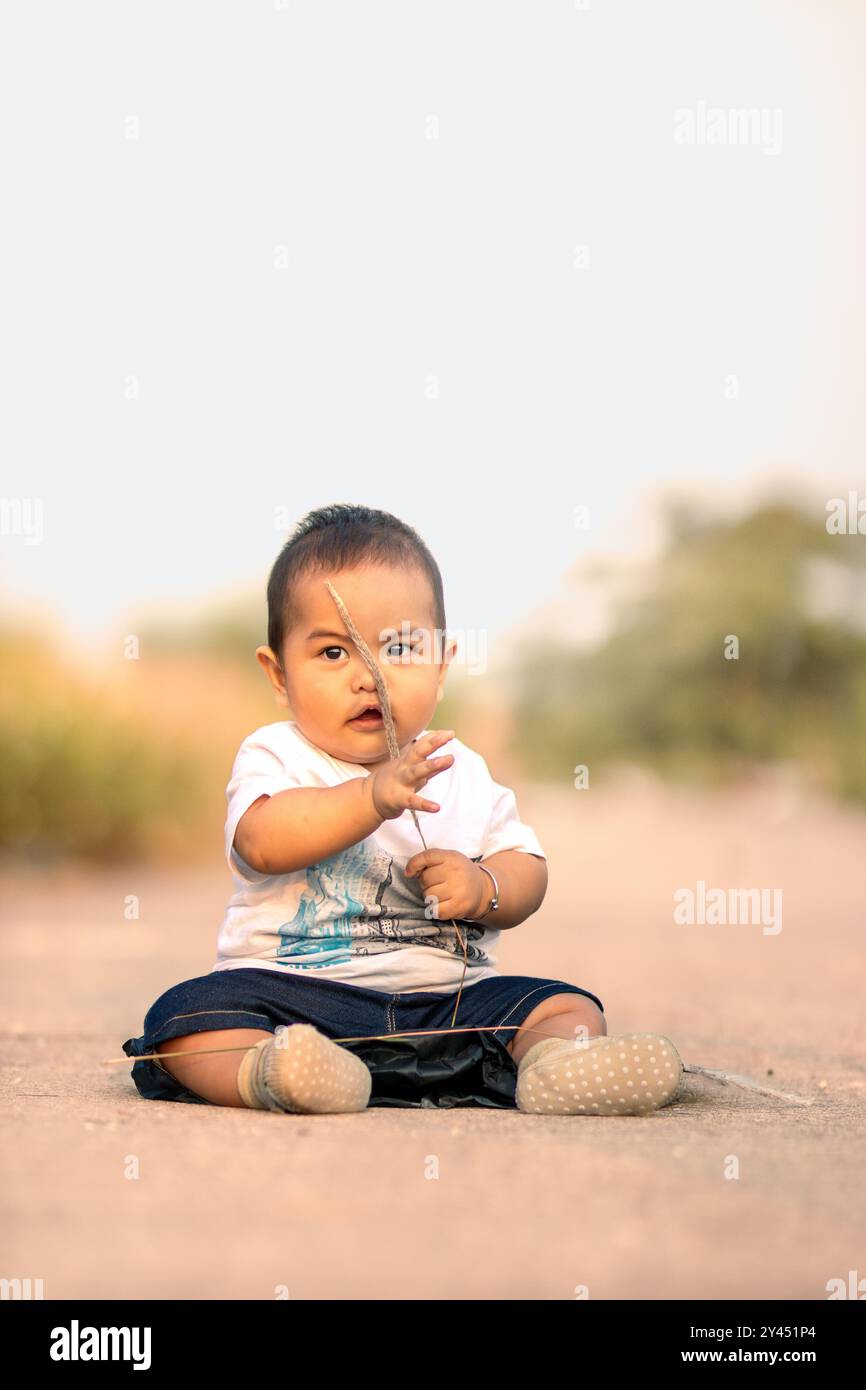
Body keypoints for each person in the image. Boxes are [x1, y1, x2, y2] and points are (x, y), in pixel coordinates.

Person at [122, 503, 682, 1116]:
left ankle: (558, 1067)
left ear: (441, 667)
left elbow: (529, 866)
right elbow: (262, 841)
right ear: (278, 675)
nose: (370, 678)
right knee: (185, 1017)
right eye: (334, 654)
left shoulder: (458, 767)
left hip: (445, 1005)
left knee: (567, 1007)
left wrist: (486, 885)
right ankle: (275, 1072)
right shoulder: (276, 755)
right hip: (297, 1002)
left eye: (401, 649)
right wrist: (370, 797)